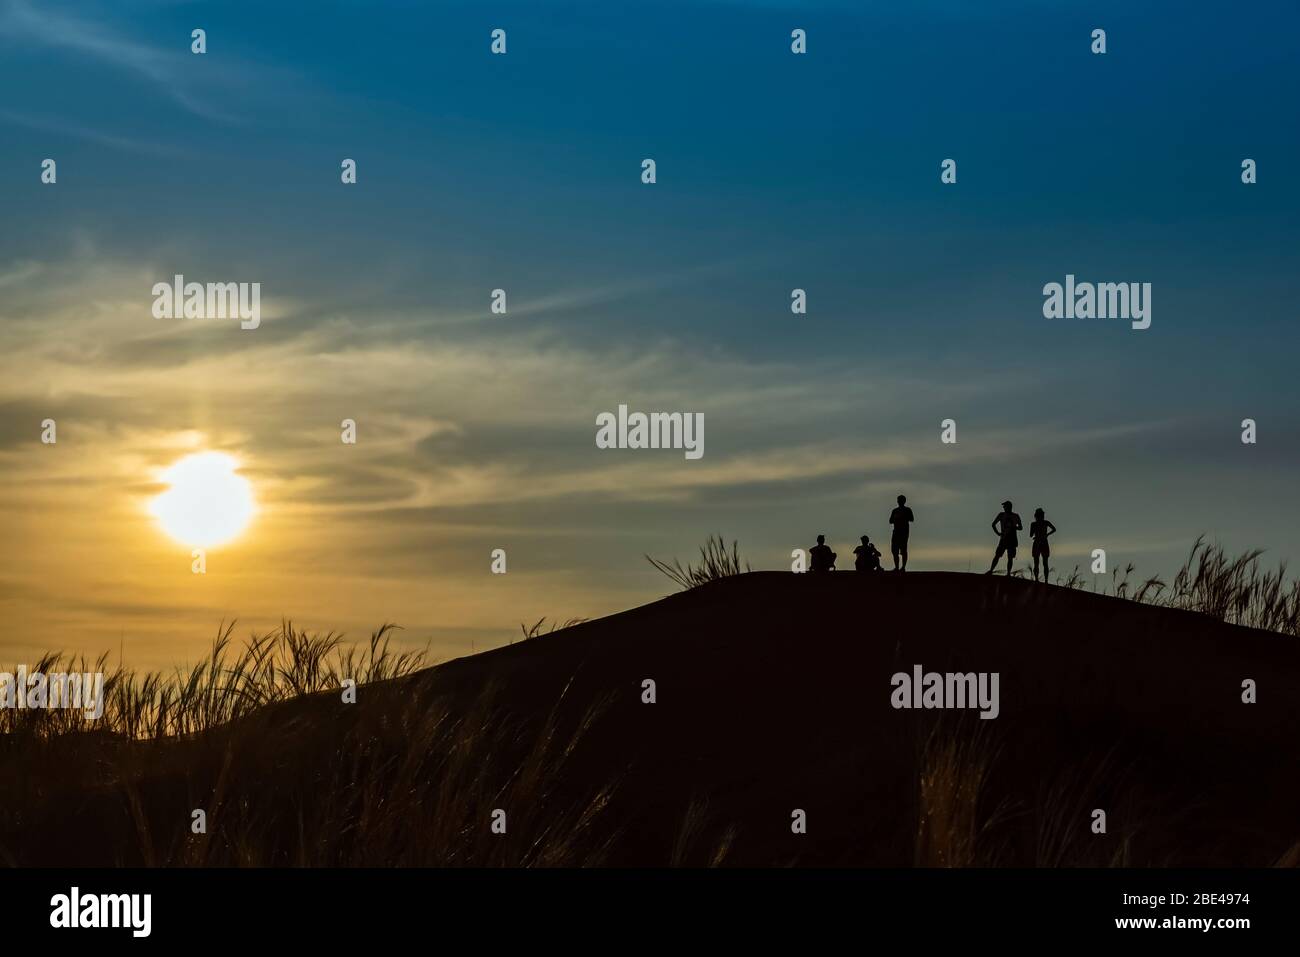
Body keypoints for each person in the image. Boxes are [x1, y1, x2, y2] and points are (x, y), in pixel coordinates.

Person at [986, 500, 1022, 576]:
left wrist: (1014, 527)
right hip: (1004, 538)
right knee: (998, 555)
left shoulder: (1015, 516)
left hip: (1011, 538)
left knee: (1010, 557)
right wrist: (998, 533)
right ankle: (991, 570)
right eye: (1004, 506)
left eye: (1005, 506)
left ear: (1009, 507)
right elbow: (993, 524)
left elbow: (1021, 527)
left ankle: (1008, 573)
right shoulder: (1002, 515)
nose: (1004, 507)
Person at [1029, 508, 1056, 582]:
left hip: (1040, 542)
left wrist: (1046, 534)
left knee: (1041, 562)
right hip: (1041, 542)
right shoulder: (1041, 523)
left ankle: (1042, 579)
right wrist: (1046, 534)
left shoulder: (1036, 524)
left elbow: (1031, 535)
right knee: (1041, 562)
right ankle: (1041, 579)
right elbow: (1054, 529)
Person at [888, 495, 914, 571]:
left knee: (903, 550)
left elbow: (912, 519)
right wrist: (896, 518)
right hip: (896, 532)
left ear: (904, 501)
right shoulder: (895, 510)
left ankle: (903, 567)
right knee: (894, 550)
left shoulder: (907, 510)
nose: (899, 501)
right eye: (898, 500)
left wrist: (903, 517)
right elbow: (890, 521)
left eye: (900, 500)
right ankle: (896, 567)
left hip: (904, 532)